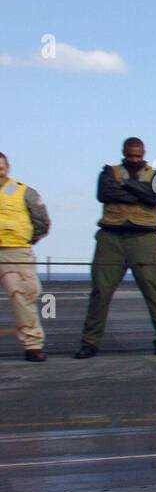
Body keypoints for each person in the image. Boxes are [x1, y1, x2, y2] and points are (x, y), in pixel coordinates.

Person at [76, 137, 156, 358]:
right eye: (130, 155)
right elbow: (103, 193)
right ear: (123, 153)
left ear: (144, 153)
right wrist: (140, 193)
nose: (134, 159)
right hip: (111, 236)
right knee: (100, 292)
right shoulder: (108, 172)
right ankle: (89, 342)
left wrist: (125, 185)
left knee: (154, 291)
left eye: (138, 156)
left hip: (145, 238)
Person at [0, 153, 51, 362]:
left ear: (8, 168)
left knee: (23, 297)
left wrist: (27, 241)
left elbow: (42, 222)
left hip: (14, 252)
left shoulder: (24, 192)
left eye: (1, 167)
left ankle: (32, 345)